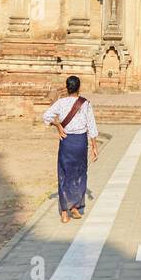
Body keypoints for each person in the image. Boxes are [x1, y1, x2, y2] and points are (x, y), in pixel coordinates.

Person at [42, 75, 99, 224]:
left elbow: (46, 116)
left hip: (67, 141)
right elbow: (91, 126)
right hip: (80, 142)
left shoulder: (61, 103)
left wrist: (58, 125)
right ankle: (71, 207)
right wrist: (94, 146)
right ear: (79, 88)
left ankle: (68, 210)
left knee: (65, 175)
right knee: (78, 174)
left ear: (67, 88)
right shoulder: (85, 104)